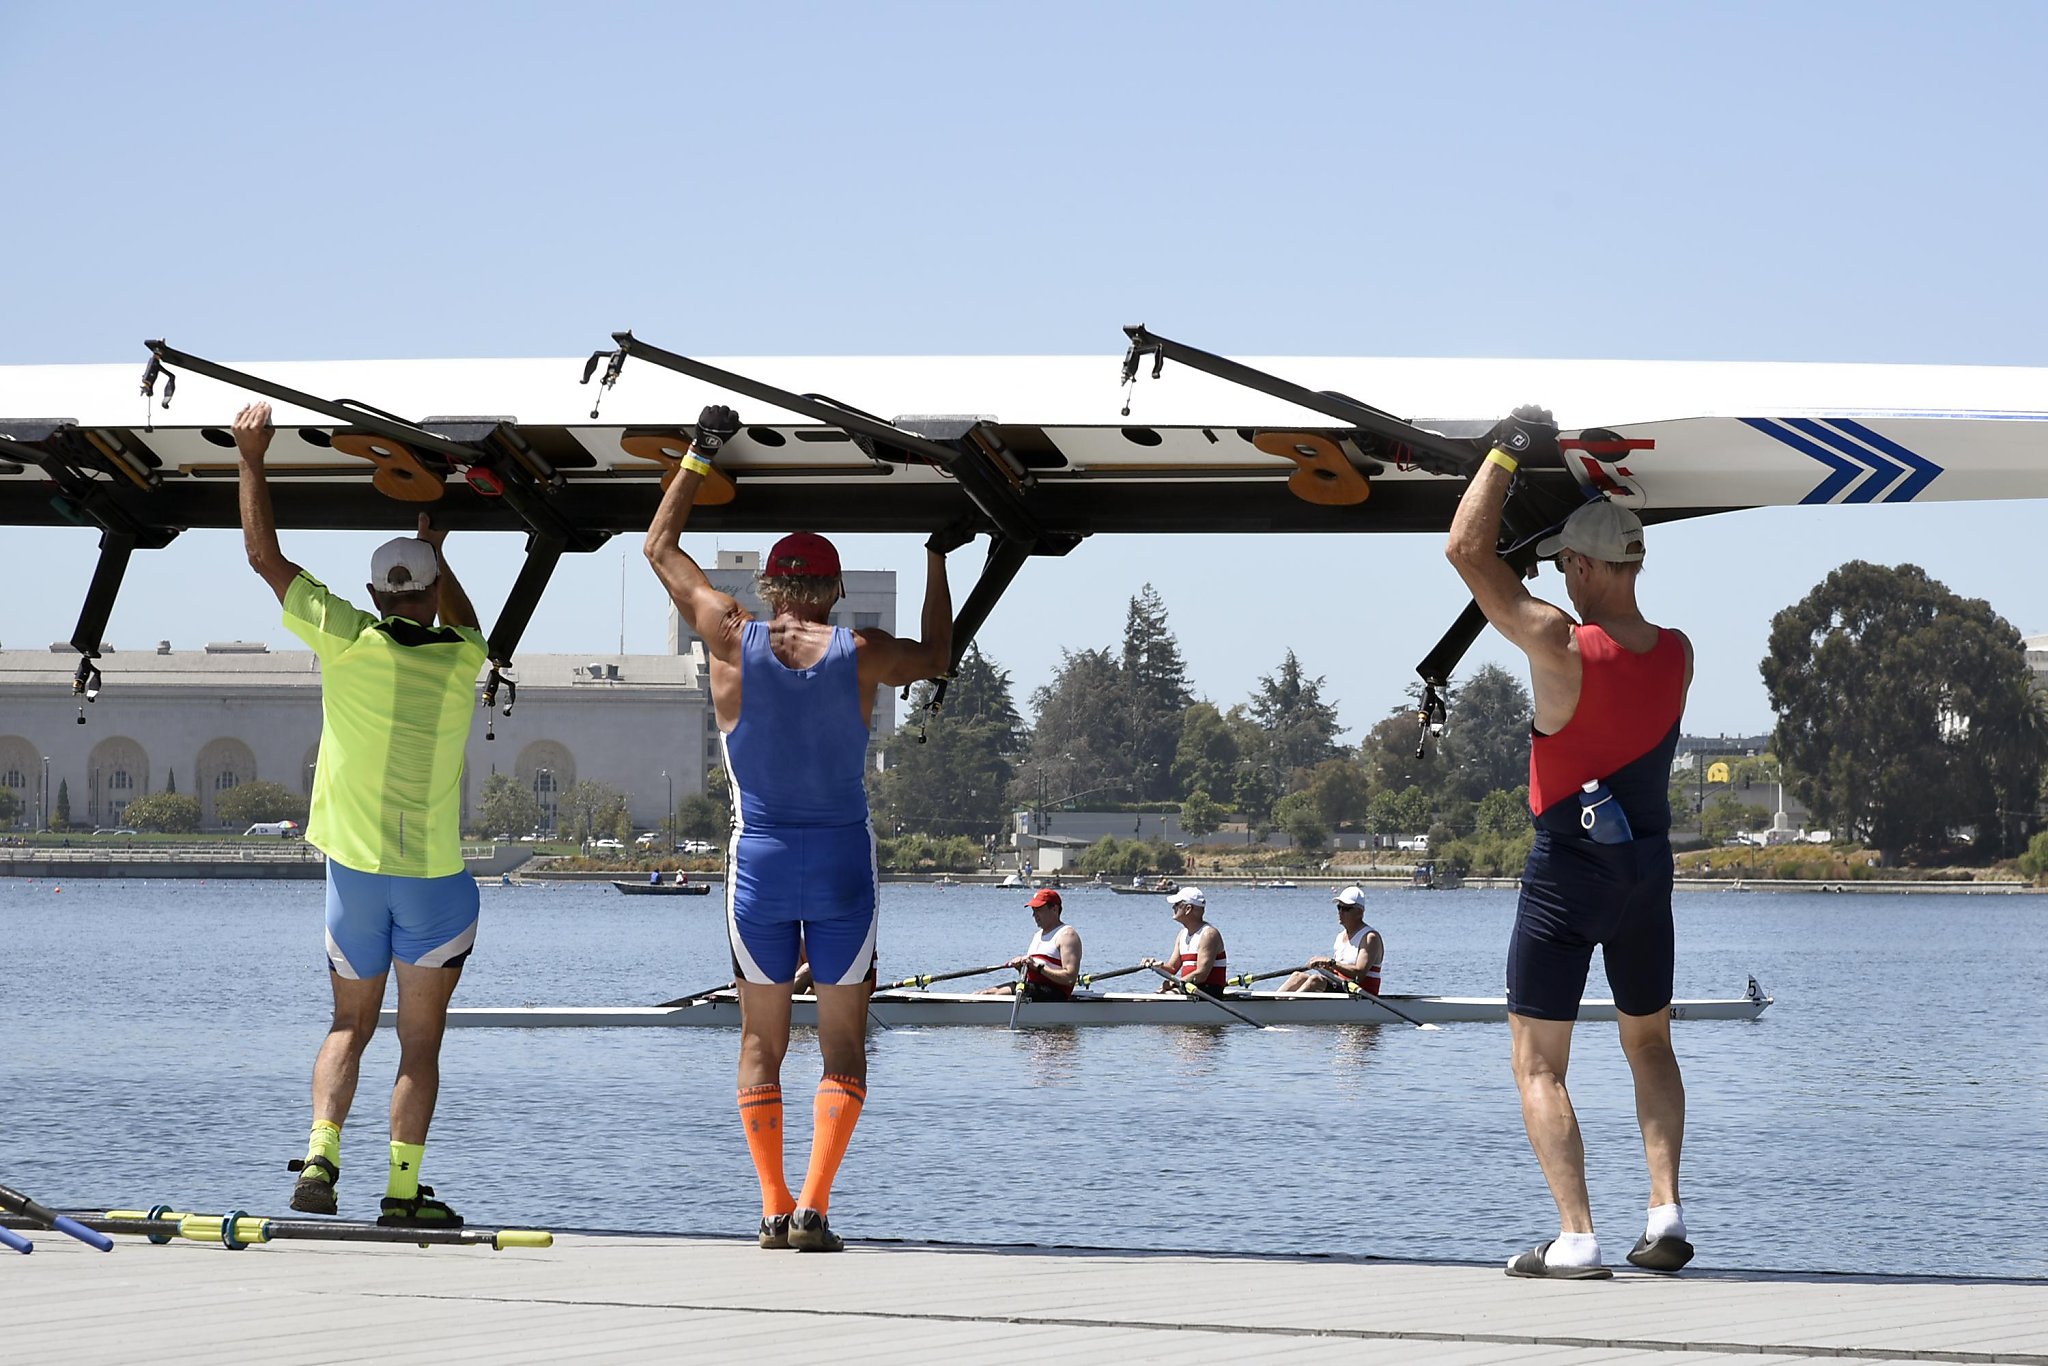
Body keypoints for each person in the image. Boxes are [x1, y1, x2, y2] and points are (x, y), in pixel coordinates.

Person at [643, 404, 958, 1253]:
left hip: (761, 869)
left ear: (773, 589)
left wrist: (701, 456)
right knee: (845, 1046)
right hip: (843, 866)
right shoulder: (864, 652)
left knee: (760, 1041)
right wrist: (937, 554)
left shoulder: (728, 634)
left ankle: (773, 1206)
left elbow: (659, 549)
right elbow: (940, 654)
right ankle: (816, 1207)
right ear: (834, 591)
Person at [1446, 408, 1695, 1280]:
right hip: (1648, 877)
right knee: (1650, 1043)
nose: (1562, 583)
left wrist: (1507, 451)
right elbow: (1623, 636)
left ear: (1587, 568)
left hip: (1567, 872)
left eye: (1565, 569)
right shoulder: (1679, 654)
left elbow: (1466, 553)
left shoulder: (1559, 644)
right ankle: (1665, 1215)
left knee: (1537, 1063)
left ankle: (1577, 1237)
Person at [233, 402, 486, 1228]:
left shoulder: (344, 638)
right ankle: (403, 1191)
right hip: (435, 886)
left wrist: (252, 455)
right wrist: (434, 552)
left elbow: (263, 555)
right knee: (419, 1044)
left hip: (354, 880)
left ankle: (319, 1158)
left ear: (377, 593)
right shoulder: (463, 662)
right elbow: (463, 619)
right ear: (430, 594)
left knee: (349, 1023)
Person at [978, 888, 1081, 1000]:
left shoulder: (1067, 935)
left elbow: (1070, 978)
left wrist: (1038, 967)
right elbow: (1031, 976)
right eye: (1033, 911)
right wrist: (1021, 967)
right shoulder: (1037, 936)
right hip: (1035, 990)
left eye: (1038, 910)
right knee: (984, 993)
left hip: (1054, 993)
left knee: (991, 994)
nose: (1034, 915)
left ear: (1054, 909)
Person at [1280, 885, 1383, 994]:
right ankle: (1271, 1004)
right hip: (1343, 986)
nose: (1341, 912)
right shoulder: (1340, 937)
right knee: (1297, 976)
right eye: (1339, 907)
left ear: (1360, 912)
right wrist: (1327, 967)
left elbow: (1359, 974)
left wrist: (1331, 963)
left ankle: (1287, 1006)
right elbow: (1338, 971)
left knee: (1315, 981)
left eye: (1346, 908)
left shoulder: (1370, 937)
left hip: (1362, 994)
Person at [1144, 886, 1226, 996]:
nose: (1173, 907)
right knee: (1151, 996)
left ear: (1188, 909)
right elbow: (1172, 968)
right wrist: (1156, 966)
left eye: (1177, 904)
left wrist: (1175, 983)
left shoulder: (1208, 935)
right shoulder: (1182, 934)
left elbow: (1201, 974)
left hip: (1207, 991)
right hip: (1189, 988)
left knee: (1155, 998)